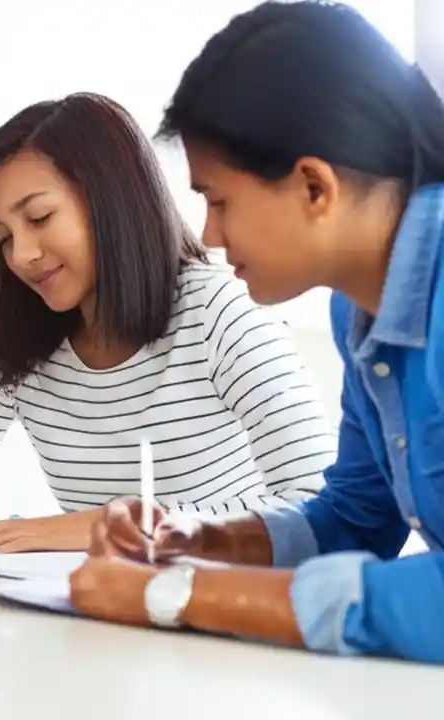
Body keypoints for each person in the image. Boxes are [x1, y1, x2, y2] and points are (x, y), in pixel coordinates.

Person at [70, 1, 444, 665]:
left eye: (218, 201)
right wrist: (205, 540)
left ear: (312, 187)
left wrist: (174, 597)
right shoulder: (357, 309)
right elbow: (359, 519)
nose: (210, 236)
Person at [0, 93, 336, 548]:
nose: (21, 254)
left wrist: (115, 526)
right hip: (102, 612)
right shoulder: (17, 336)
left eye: (40, 219)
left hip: (224, 609)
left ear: (112, 201)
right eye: (2, 237)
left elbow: (319, 502)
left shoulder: (219, 312)